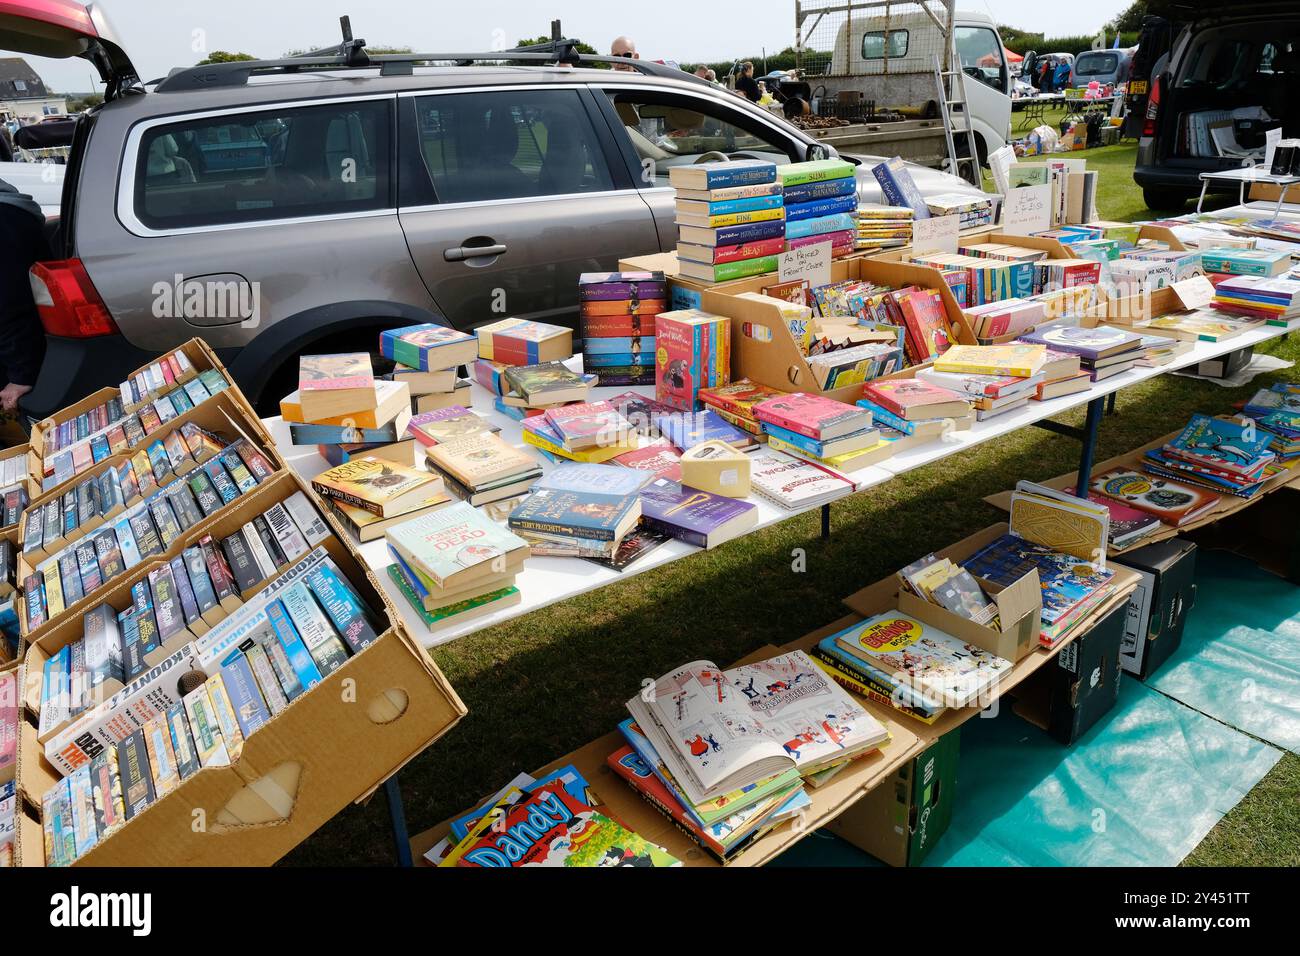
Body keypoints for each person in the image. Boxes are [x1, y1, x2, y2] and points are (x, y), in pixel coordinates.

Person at [0, 179, 48, 412]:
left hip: (17, 362)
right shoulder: (12, 210)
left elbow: (10, 304)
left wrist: (21, 376)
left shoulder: (5, 221)